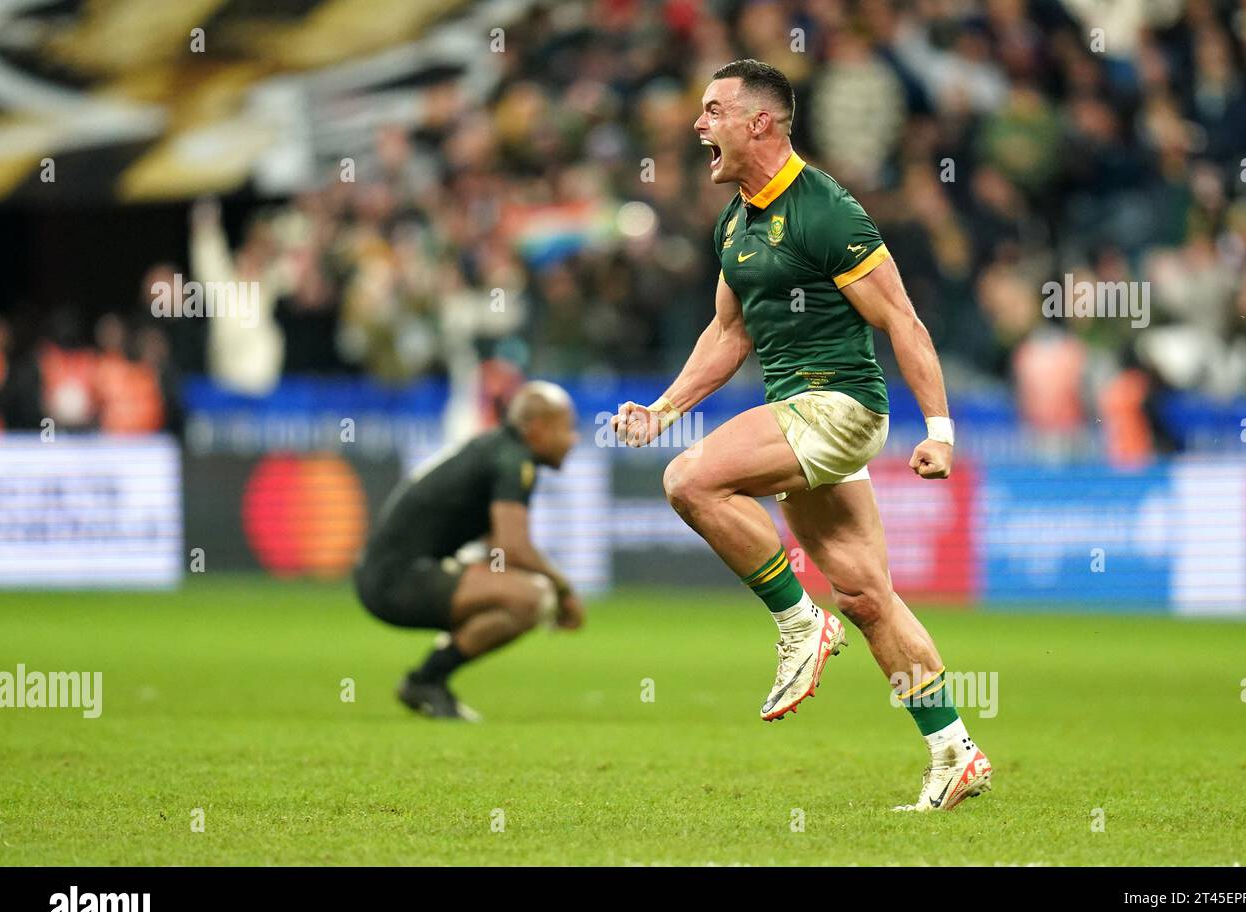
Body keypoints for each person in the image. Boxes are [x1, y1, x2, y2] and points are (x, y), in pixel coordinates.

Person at [612, 60, 992, 812]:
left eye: (713, 110)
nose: (698, 126)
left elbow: (903, 322)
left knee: (690, 480)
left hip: (839, 407)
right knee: (867, 595)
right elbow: (729, 333)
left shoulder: (826, 211)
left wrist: (941, 432)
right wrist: (663, 408)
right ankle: (952, 752)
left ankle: (797, 622)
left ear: (761, 123)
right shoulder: (736, 221)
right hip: (799, 417)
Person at [355, 381, 585, 720]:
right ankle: (427, 680)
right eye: (566, 428)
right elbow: (514, 547)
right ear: (536, 429)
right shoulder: (513, 459)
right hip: (395, 580)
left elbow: (499, 546)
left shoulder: (498, 449)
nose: (573, 439)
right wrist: (564, 589)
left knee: (523, 591)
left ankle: (429, 679)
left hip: (390, 573)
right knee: (533, 598)